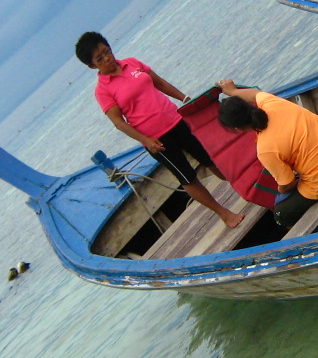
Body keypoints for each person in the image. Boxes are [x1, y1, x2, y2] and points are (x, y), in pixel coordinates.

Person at [75, 32, 244, 228]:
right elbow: (118, 122)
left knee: (211, 158)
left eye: (107, 51)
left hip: (176, 119)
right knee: (187, 177)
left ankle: (242, 188)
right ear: (92, 66)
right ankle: (224, 214)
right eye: (100, 58)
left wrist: (185, 99)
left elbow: (160, 83)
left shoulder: (131, 63)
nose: (107, 58)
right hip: (156, 138)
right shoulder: (103, 90)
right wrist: (145, 140)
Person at [216, 79, 318, 229]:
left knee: (281, 213)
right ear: (248, 106)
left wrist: (281, 191)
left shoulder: (265, 149)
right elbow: (254, 94)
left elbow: (288, 184)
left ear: (237, 129)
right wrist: (232, 91)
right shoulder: (272, 102)